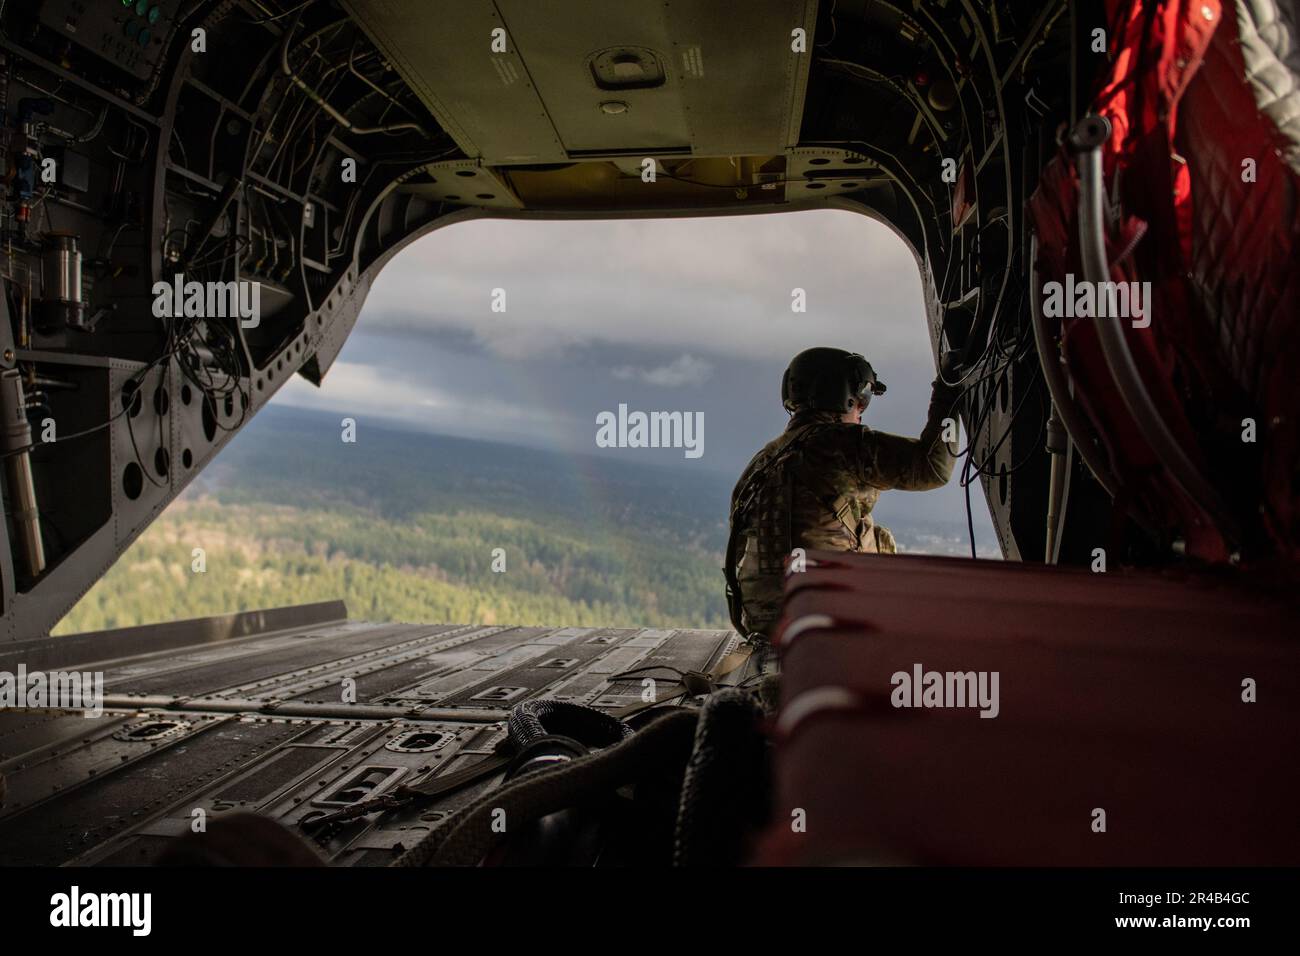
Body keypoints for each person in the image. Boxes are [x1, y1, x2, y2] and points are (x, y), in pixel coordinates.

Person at [724, 347, 960, 642]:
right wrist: (949, 392)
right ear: (846, 395)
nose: (862, 409)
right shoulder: (842, 445)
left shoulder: (760, 463)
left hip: (764, 627)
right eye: (864, 397)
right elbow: (933, 468)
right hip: (828, 624)